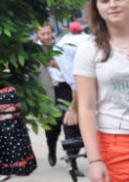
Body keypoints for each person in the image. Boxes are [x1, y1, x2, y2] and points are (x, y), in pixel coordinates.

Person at [74, 0, 129, 182]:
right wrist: (94, 160)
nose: (112, 5)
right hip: (116, 143)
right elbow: (86, 108)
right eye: (104, 0)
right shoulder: (89, 49)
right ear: (96, 8)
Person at [55, 21, 86, 174]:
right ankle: (72, 163)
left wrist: (73, 107)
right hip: (63, 91)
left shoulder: (62, 47)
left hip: (75, 91)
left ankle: (73, 162)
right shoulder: (86, 40)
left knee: (73, 129)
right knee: (71, 130)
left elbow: (75, 83)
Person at [36, 23, 65, 166]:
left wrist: (55, 64)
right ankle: (51, 152)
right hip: (46, 92)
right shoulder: (33, 51)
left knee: (70, 126)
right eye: (43, 34)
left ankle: (72, 159)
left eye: (49, 33)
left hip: (63, 89)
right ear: (37, 34)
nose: (47, 36)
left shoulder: (60, 47)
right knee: (52, 129)